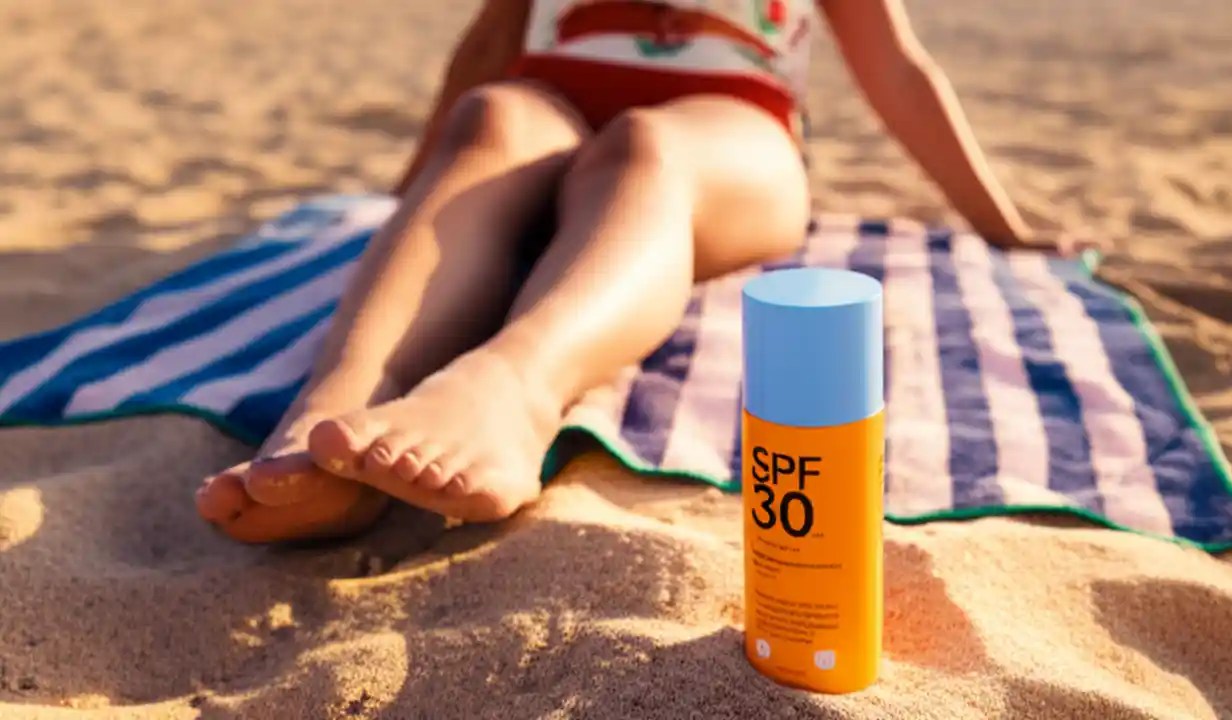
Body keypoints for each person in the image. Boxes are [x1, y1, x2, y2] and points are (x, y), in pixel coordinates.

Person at [196, 0, 1071, 543]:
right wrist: (414, 190)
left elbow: (898, 71)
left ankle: (510, 390)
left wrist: (1005, 226)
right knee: (488, 121)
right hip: (550, 100)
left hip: (732, 127)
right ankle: (335, 405)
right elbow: (492, 39)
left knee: (648, 150)